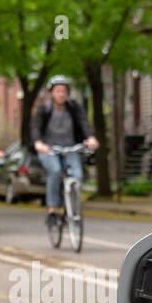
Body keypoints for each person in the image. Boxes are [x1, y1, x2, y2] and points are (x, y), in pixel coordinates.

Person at [31, 75, 98, 226]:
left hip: (70, 148)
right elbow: (36, 127)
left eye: (64, 91)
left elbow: (83, 123)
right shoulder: (44, 109)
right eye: (57, 91)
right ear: (51, 93)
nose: (61, 94)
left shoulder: (74, 107)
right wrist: (38, 143)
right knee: (54, 171)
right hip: (50, 149)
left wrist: (90, 138)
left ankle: (73, 210)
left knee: (78, 176)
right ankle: (52, 210)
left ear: (67, 93)